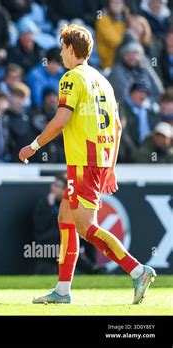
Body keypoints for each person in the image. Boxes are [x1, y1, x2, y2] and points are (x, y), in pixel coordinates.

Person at [19, 23, 156, 304]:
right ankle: (62, 290)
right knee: (65, 218)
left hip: (84, 161)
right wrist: (111, 166)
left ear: (70, 49)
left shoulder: (71, 78)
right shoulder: (102, 79)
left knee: (85, 226)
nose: (60, 53)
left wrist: (33, 146)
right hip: (98, 159)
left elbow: (60, 120)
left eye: (61, 48)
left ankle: (137, 270)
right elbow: (117, 126)